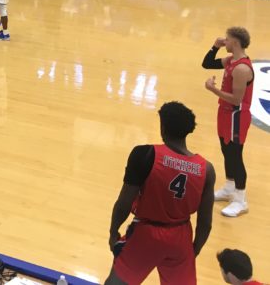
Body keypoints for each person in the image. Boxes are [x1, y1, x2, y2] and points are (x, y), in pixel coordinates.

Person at [105, 102, 214, 285]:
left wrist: (113, 230)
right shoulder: (207, 169)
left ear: (163, 127)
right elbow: (205, 223)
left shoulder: (145, 154)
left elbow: (124, 202)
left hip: (146, 233)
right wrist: (194, 249)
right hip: (181, 236)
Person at [202, 27, 253, 218]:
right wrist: (215, 46)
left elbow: (236, 100)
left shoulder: (241, 68)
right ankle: (230, 187)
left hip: (236, 116)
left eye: (227, 39)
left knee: (235, 155)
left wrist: (212, 89)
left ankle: (241, 200)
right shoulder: (231, 61)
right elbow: (206, 64)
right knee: (226, 151)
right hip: (224, 113)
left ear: (236, 43)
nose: (225, 41)